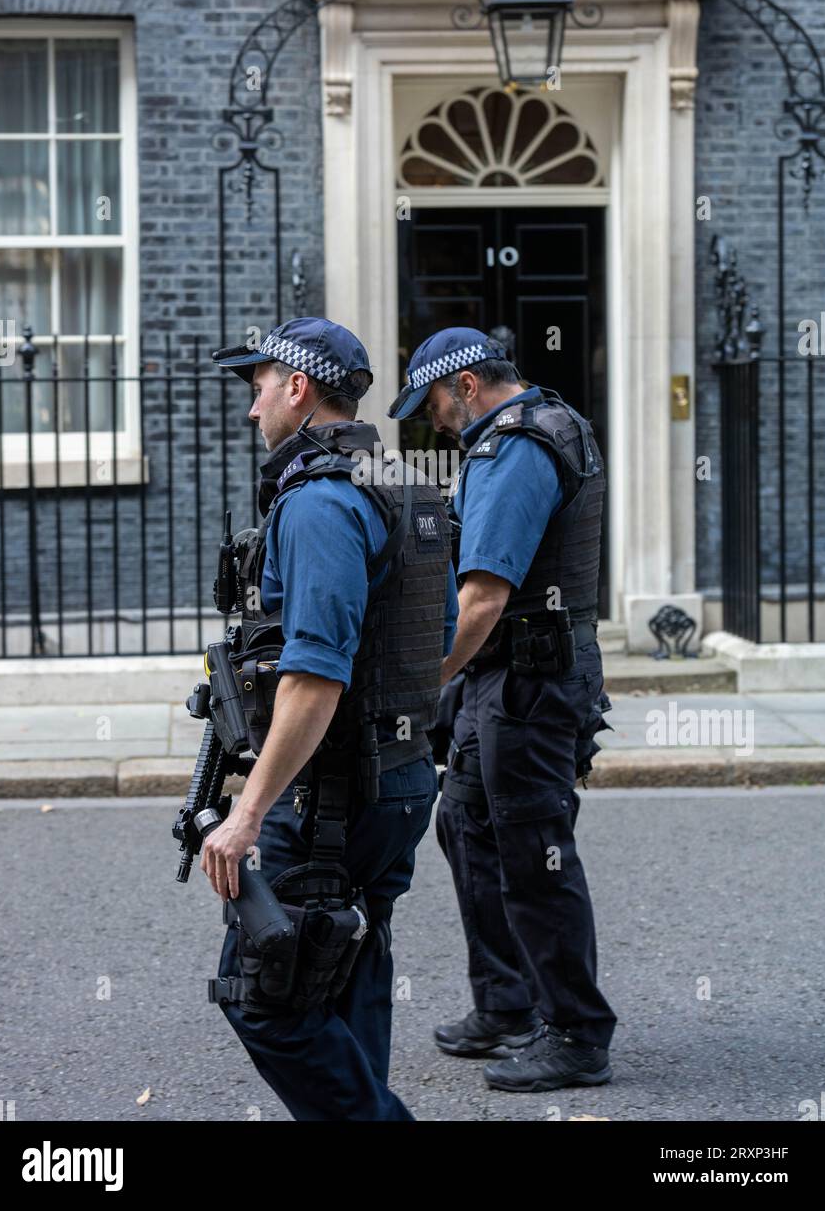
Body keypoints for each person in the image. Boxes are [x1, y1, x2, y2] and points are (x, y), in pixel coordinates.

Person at [203, 316, 457, 1120]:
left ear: (298, 387)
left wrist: (247, 817)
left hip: (334, 798)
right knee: (350, 965)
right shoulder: (407, 483)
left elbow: (314, 676)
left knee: (266, 993)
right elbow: (441, 637)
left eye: (260, 387)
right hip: (402, 779)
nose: (254, 408)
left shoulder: (319, 504)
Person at [388, 326, 616, 1093]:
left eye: (435, 404)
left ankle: (578, 1034)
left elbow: (483, 596)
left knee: (534, 852)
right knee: (465, 825)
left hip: (529, 683)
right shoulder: (540, 427)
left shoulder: (516, 447)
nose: (435, 420)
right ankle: (508, 1006)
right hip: (507, 678)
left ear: (469, 384)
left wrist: (421, 690)